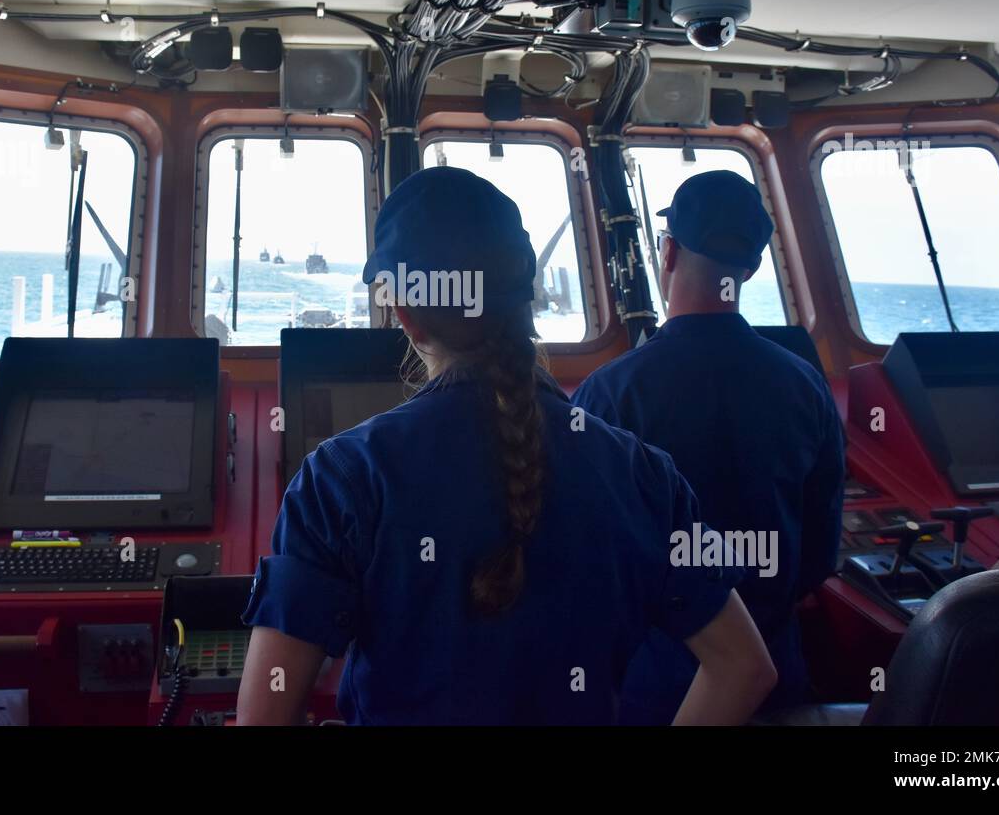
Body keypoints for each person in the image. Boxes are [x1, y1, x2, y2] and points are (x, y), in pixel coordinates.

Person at [237, 166, 776, 725]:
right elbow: (744, 669)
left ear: (406, 317)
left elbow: (262, 719)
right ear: (529, 300)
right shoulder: (643, 474)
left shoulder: (342, 478)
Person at [572, 169, 844, 723]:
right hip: (774, 675)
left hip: (654, 687)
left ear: (667, 253)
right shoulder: (804, 384)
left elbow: (586, 562)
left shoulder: (611, 393)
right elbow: (819, 556)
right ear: (754, 265)